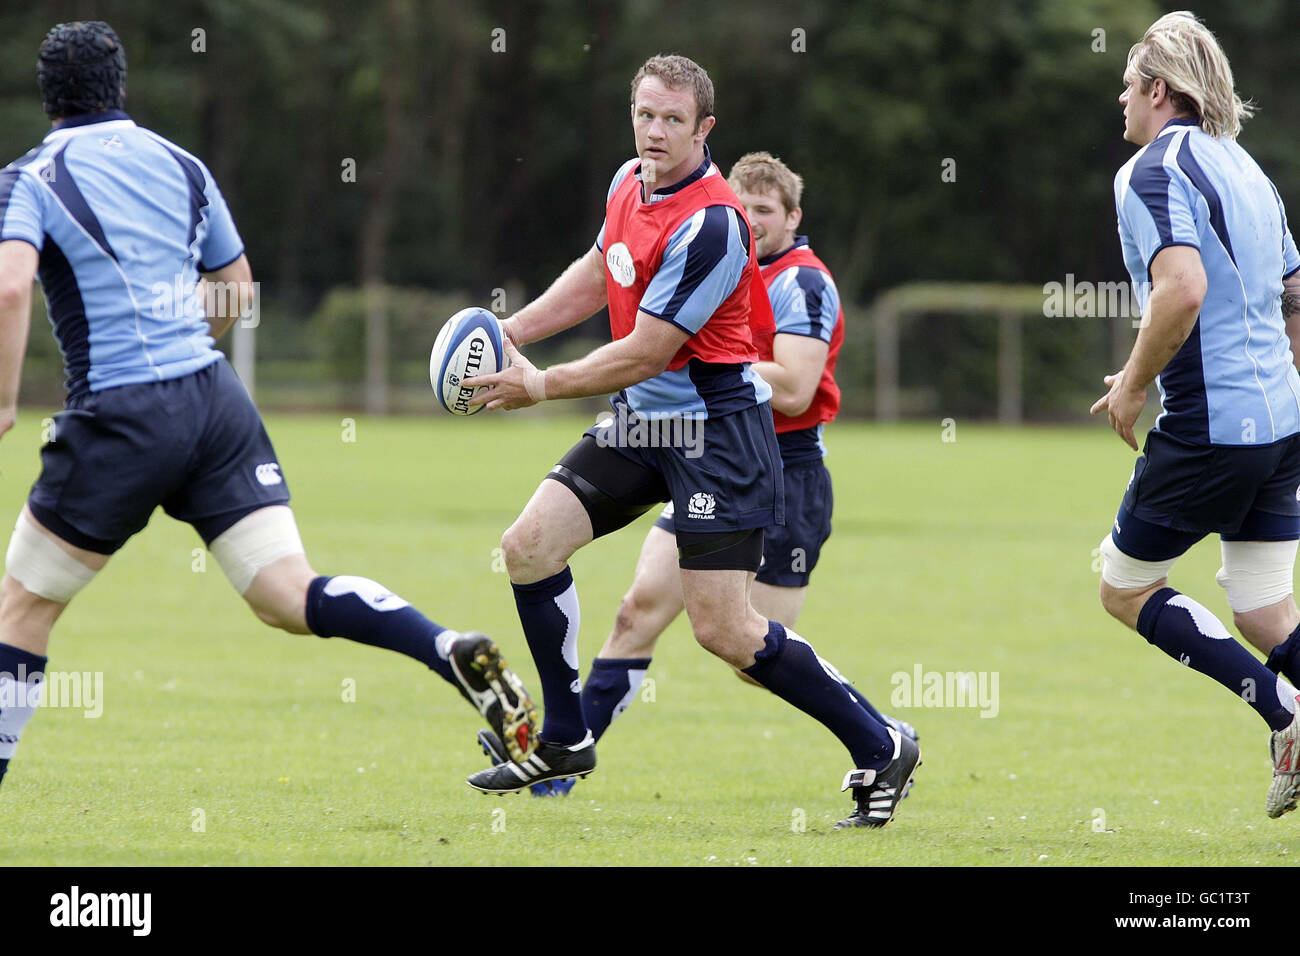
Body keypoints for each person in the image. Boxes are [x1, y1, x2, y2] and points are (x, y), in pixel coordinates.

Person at [0, 21, 538, 789]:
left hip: (120, 415)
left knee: (20, 613)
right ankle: (445, 645)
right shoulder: (181, 163)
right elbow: (237, 289)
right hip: (214, 403)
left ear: (48, 95)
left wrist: (3, 400)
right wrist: (184, 350)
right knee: (288, 595)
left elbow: (11, 284)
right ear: (121, 87)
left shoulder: (30, 176)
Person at [464, 55, 919, 829]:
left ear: (704, 129)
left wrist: (536, 384)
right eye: (645, 114)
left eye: (674, 120)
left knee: (725, 631)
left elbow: (647, 349)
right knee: (529, 546)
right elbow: (596, 271)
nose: (656, 131)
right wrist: (511, 329)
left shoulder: (713, 223)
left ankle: (882, 744)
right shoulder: (625, 183)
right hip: (645, 422)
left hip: (718, 435)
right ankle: (567, 735)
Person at [1091, 11, 1300, 818]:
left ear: (1156, 89)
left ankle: (1284, 716)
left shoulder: (1149, 170)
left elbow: (1180, 290)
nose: (1120, 100)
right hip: (1282, 426)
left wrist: (1136, 383)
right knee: (1261, 609)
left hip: (1215, 430)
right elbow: (1292, 290)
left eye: (1126, 85)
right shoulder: (1246, 166)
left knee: (1124, 585)